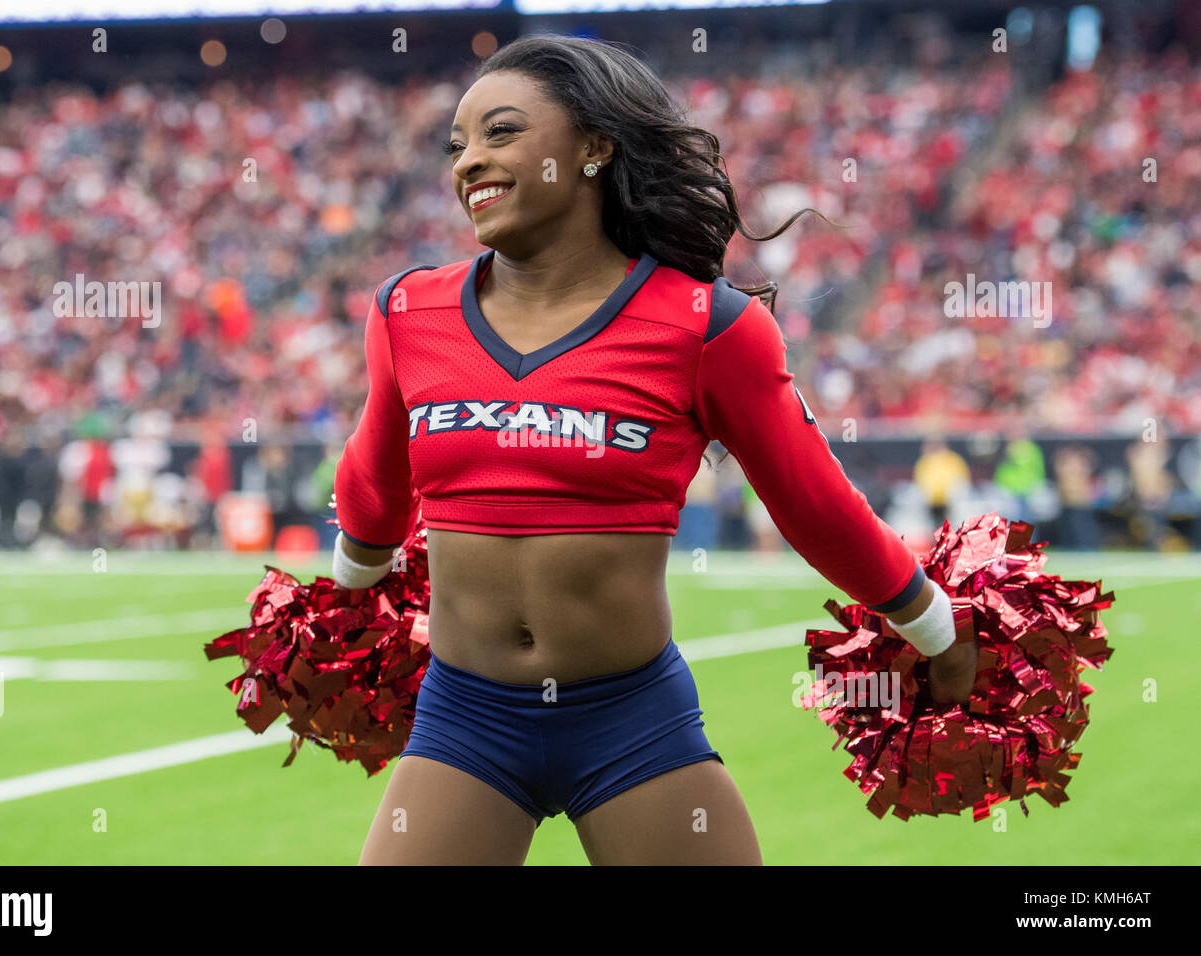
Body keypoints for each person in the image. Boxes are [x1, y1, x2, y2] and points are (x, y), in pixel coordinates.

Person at [331, 36, 975, 866]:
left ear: (595, 148)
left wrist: (933, 625)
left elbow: (812, 505)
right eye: (457, 146)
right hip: (465, 720)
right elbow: (374, 478)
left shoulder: (707, 325)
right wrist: (349, 596)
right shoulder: (408, 312)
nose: (470, 162)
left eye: (501, 133)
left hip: (631, 723)